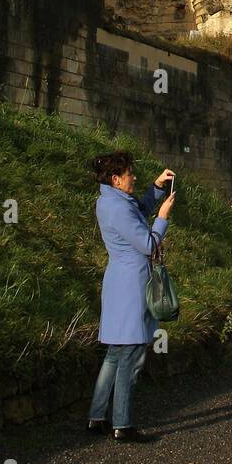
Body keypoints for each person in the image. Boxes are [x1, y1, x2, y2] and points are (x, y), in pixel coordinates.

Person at [87, 153, 176, 442]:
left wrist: (157, 187)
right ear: (116, 179)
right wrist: (162, 219)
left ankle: (97, 417)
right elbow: (148, 244)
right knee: (131, 357)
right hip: (131, 289)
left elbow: (139, 208)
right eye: (129, 174)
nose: (133, 177)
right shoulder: (118, 209)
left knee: (114, 354)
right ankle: (122, 425)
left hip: (118, 284)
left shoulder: (111, 201)